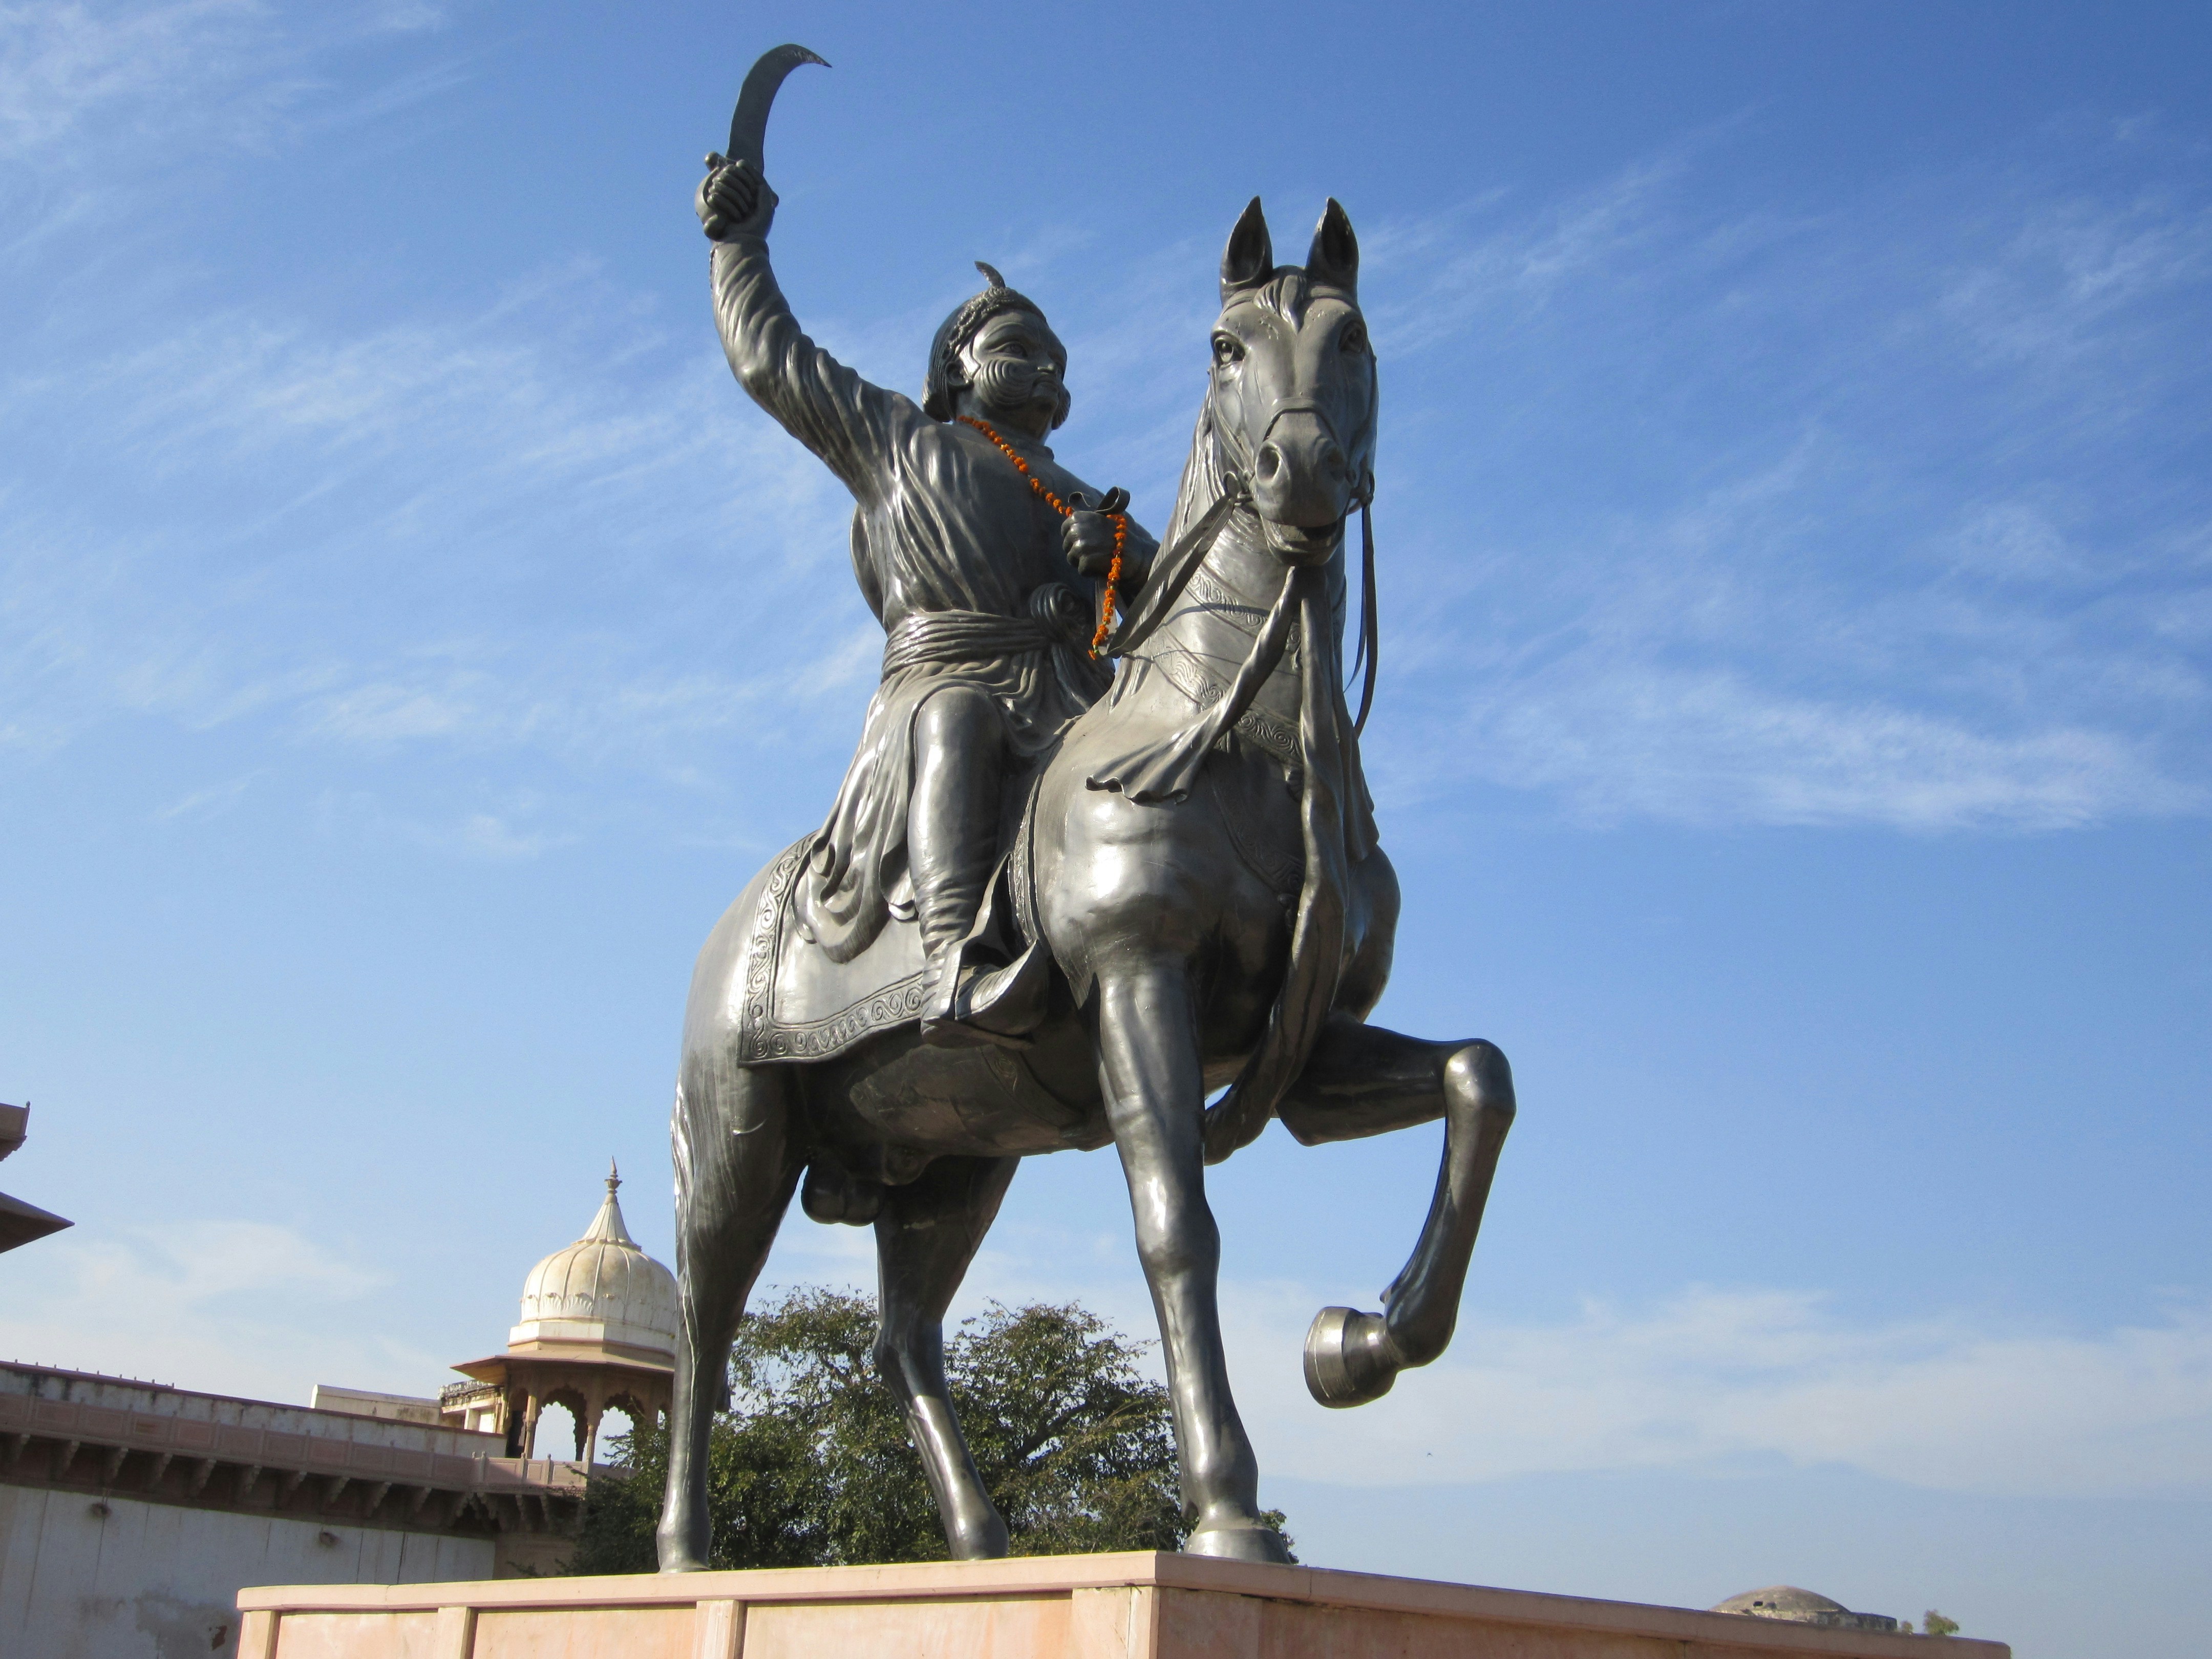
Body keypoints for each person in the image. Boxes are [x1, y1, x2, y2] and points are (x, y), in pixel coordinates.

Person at [697, 153, 1156, 1043]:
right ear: (957, 365)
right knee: (958, 717)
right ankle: (954, 956)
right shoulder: (902, 442)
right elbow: (774, 360)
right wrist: (738, 246)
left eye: (1056, 361)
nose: (1045, 369)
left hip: (1078, 699)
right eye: (1017, 351)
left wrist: (1133, 560)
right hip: (947, 680)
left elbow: (1185, 612)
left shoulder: (1089, 496)